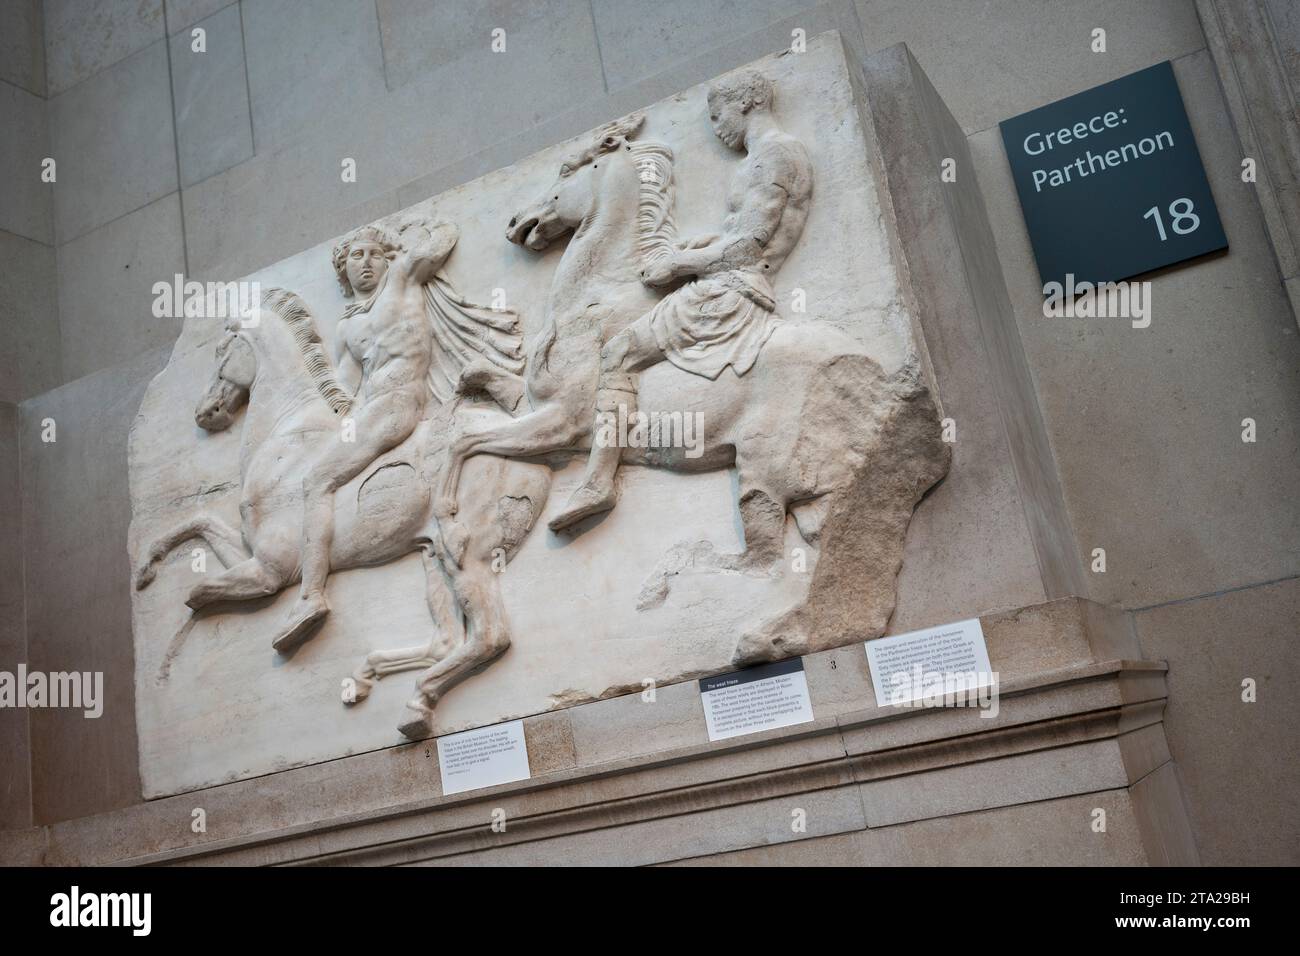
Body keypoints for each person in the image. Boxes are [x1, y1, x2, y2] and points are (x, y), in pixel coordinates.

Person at [547, 70, 813, 532]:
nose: (716, 127)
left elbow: (750, 247)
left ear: (746, 102)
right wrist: (692, 248)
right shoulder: (773, 155)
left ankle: (598, 480)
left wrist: (679, 267)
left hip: (729, 292)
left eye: (717, 114)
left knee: (617, 352)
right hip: (729, 279)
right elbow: (740, 234)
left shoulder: (772, 156)